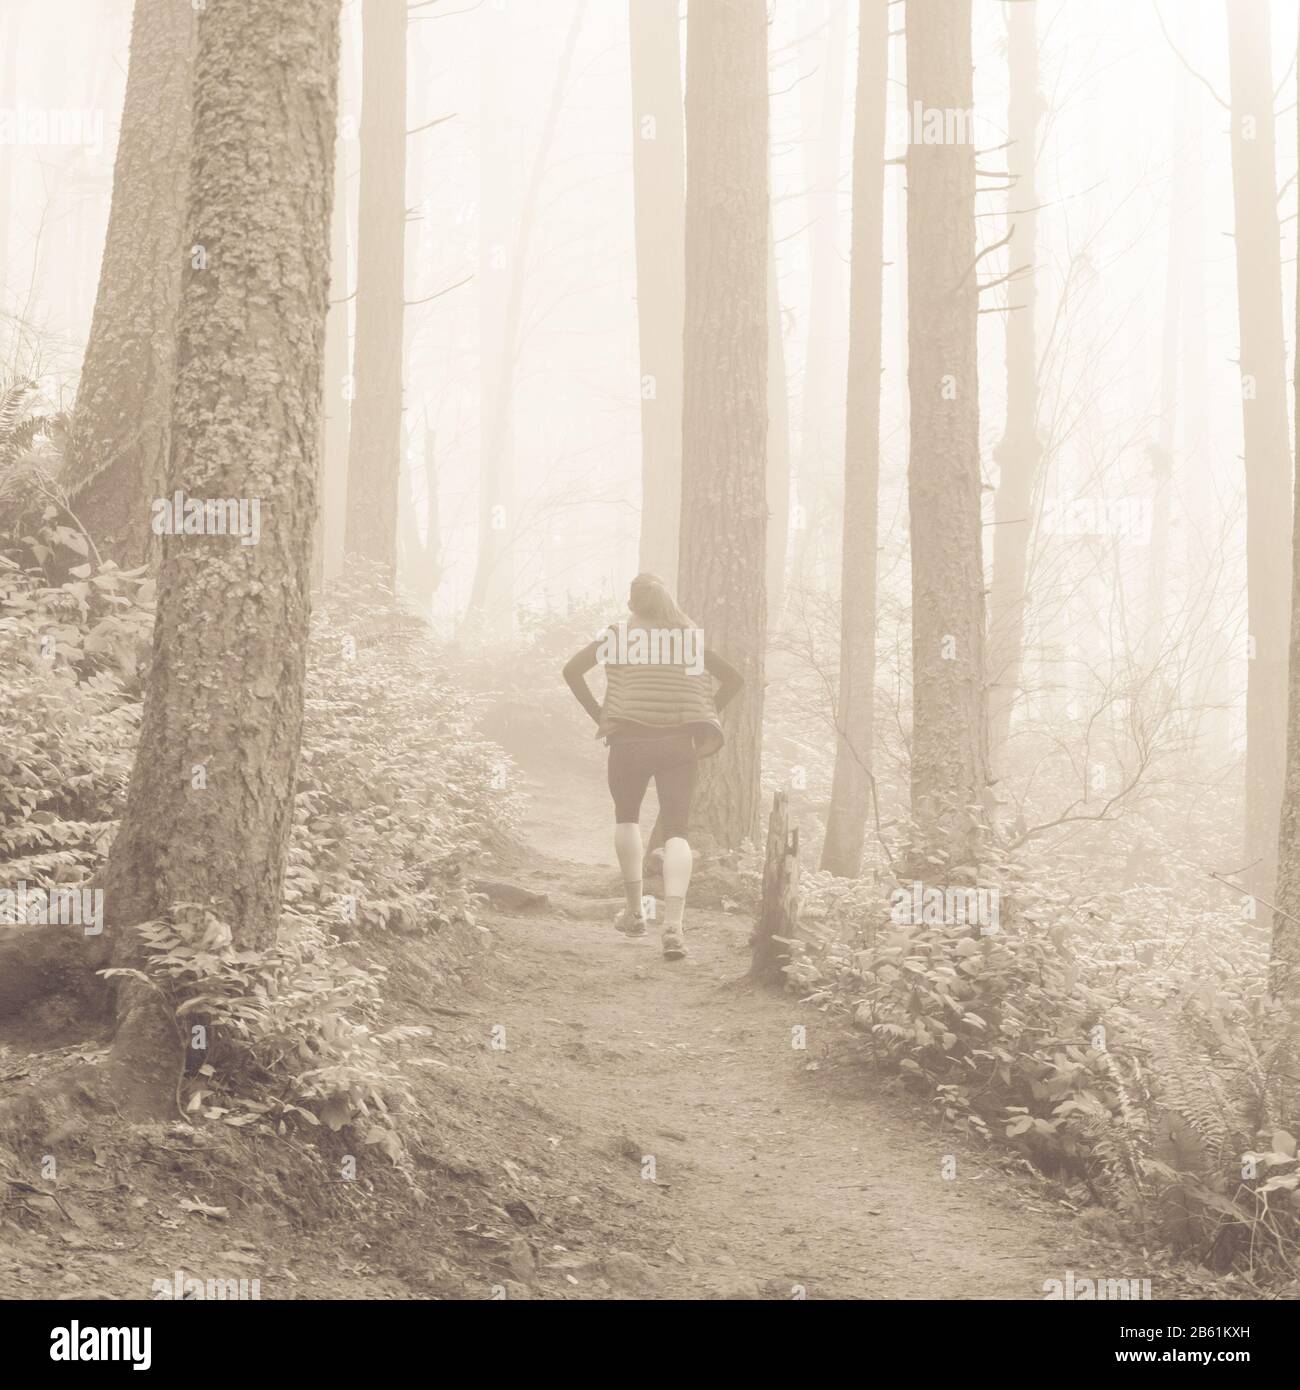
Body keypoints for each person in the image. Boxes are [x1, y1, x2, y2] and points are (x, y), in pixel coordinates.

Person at [562, 573, 743, 960]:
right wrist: (705, 713)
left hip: (628, 741)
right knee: (677, 831)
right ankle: (674, 929)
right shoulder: (687, 638)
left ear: (632, 605)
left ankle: (633, 912)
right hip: (679, 743)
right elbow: (733, 678)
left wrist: (601, 716)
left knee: (627, 818)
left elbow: (571, 671)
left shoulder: (617, 635)